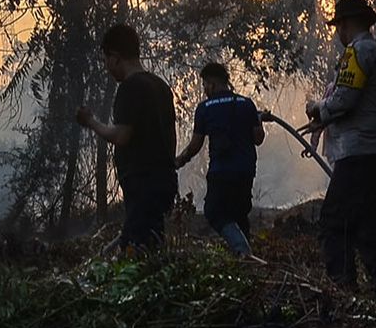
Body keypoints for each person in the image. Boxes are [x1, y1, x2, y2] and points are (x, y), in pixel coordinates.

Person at [306, 0, 376, 296]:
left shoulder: (355, 52)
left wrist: (318, 108)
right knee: (372, 226)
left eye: (338, 26)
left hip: (356, 153)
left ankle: (343, 290)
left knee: (333, 223)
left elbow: (344, 99)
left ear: (344, 25)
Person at [76, 23, 177, 254]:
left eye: (106, 60)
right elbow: (171, 135)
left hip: (143, 184)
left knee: (137, 250)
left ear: (115, 57)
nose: (106, 67)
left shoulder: (131, 88)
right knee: (151, 243)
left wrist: (91, 121)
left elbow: (122, 136)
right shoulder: (160, 86)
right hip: (164, 181)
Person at [176, 61, 265, 257]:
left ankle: (243, 252)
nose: (205, 90)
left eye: (205, 85)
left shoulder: (205, 108)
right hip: (246, 171)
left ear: (213, 84)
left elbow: (195, 145)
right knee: (239, 215)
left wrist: (180, 160)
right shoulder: (246, 104)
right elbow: (258, 139)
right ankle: (246, 265)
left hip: (221, 171)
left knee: (214, 212)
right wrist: (257, 119)